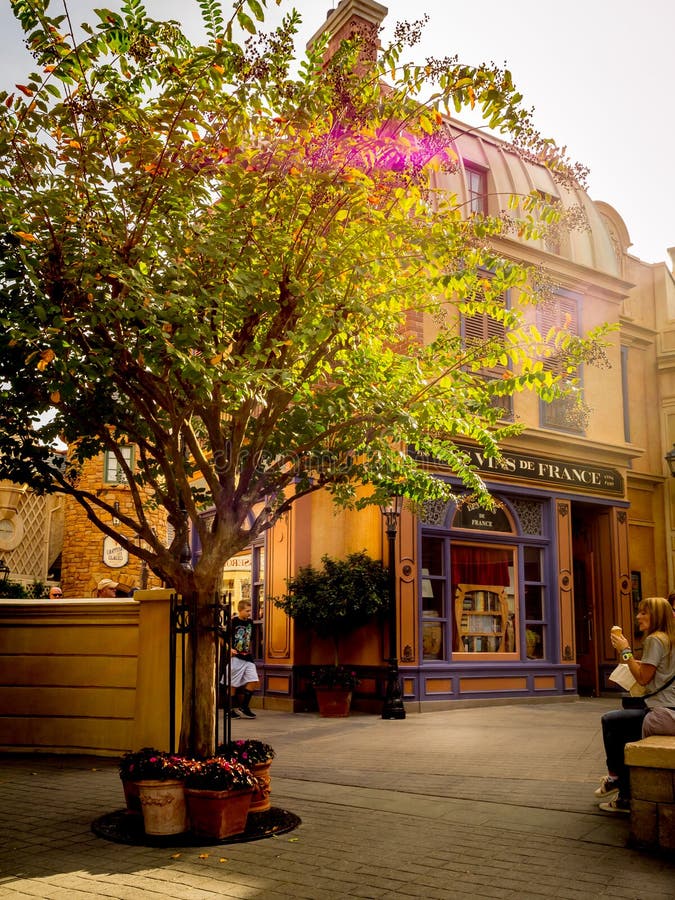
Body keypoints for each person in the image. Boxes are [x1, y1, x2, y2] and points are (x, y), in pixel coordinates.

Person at [595, 597, 675, 814]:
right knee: (621, 725)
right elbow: (659, 671)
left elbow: (643, 678)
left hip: (663, 714)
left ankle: (618, 785)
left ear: (656, 616)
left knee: (611, 722)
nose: (638, 617)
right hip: (670, 711)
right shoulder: (670, 639)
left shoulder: (655, 640)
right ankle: (622, 790)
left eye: (643, 612)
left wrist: (625, 650)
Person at [225, 599, 260, 719]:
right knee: (233, 684)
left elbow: (250, 638)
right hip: (235, 657)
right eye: (247, 611)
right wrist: (229, 649)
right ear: (240, 610)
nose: (249, 613)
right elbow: (222, 637)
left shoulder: (250, 622)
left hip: (247, 657)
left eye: (250, 611)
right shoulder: (233, 621)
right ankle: (229, 710)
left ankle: (244, 707)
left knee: (253, 680)